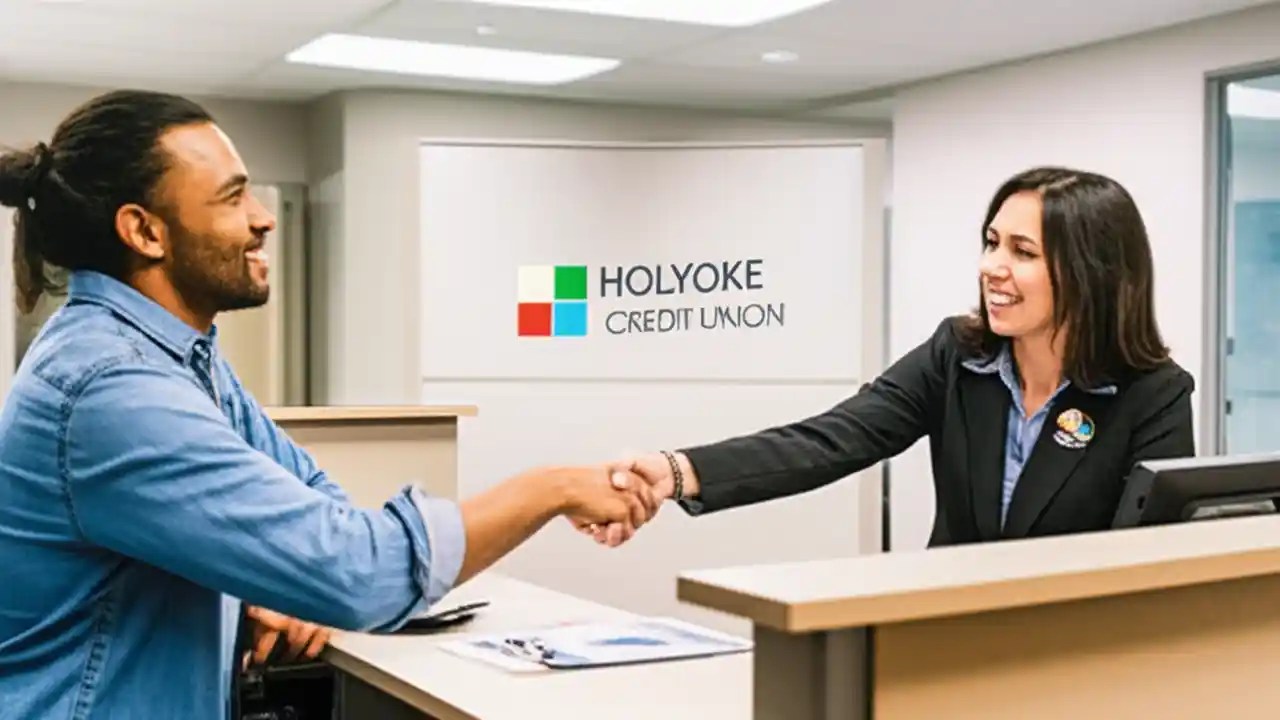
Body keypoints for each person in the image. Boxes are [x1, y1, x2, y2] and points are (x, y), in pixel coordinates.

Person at [0, 89, 658, 720]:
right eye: (232, 198)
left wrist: (283, 578)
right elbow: (357, 571)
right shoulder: (114, 391)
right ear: (145, 231)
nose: (262, 217)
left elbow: (318, 506)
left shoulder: (176, 360)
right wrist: (551, 489)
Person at [589, 166, 1195, 548]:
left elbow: (1153, 557)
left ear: (1091, 273)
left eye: (1023, 251)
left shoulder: (1154, 394)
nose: (992, 267)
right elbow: (831, 439)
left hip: (1079, 661)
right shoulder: (957, 356)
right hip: (945, 637)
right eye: (990, 243)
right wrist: (674, 471)